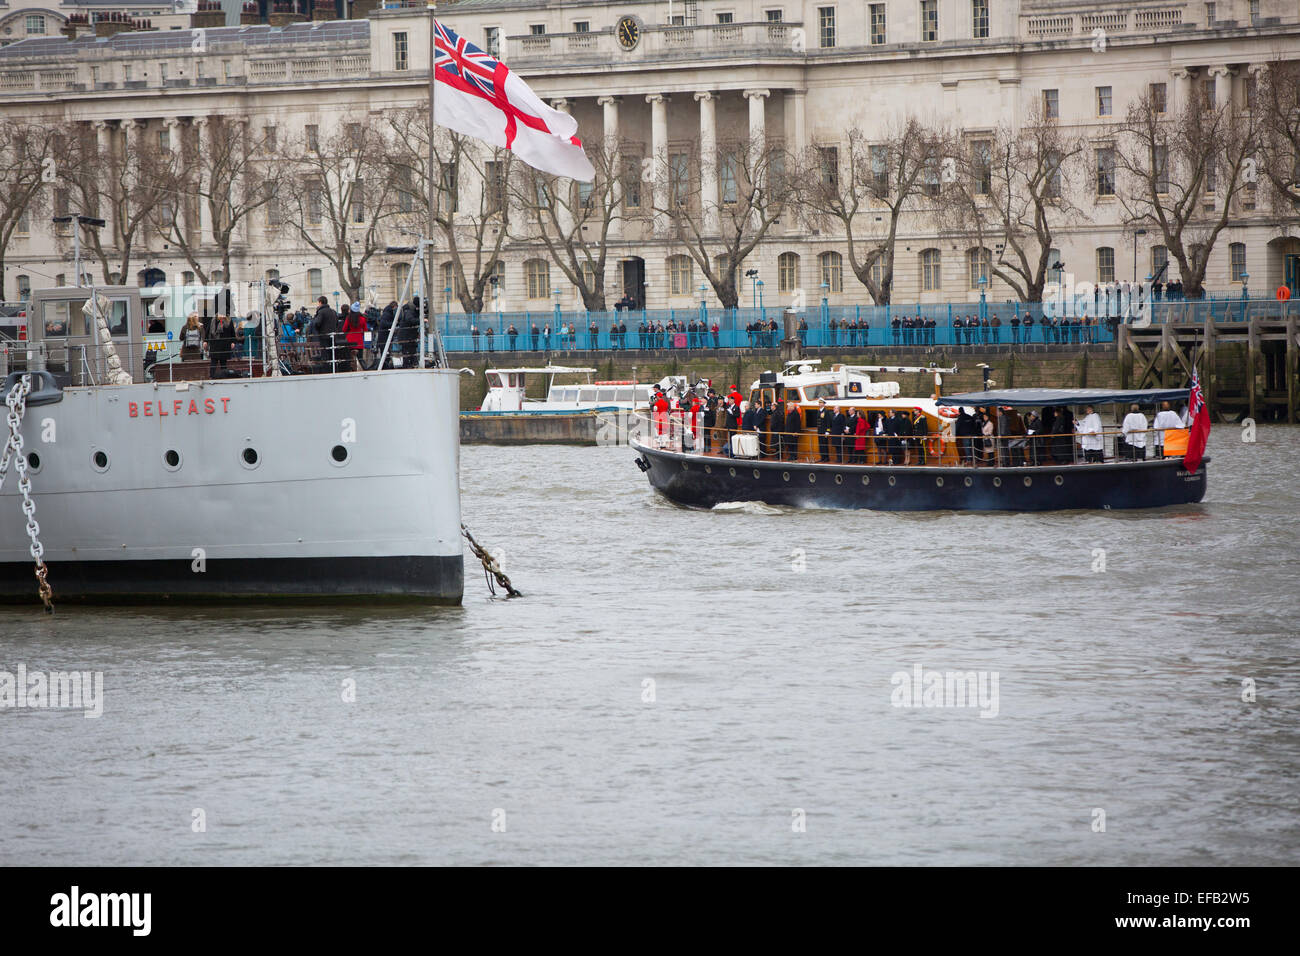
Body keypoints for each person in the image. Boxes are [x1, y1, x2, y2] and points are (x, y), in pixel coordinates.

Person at [342, 302, 367, 371]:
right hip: (359, 341)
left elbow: (344, 329)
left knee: (349, 358)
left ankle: (349, 370)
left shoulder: (348, 318)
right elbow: (365, 330)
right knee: (361, 358)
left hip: (350, 340)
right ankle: (366, 369)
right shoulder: (363, 318)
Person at [207, 313, 234, 377]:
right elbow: (208, 331)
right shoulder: (213, 320)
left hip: (225, 345)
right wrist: (205, 341)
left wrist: (233, 342)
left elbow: (232, 332)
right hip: (215, 344)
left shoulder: (229, 321)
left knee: (223, 362)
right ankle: (212, 376)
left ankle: (224, 376)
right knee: (213, 361)